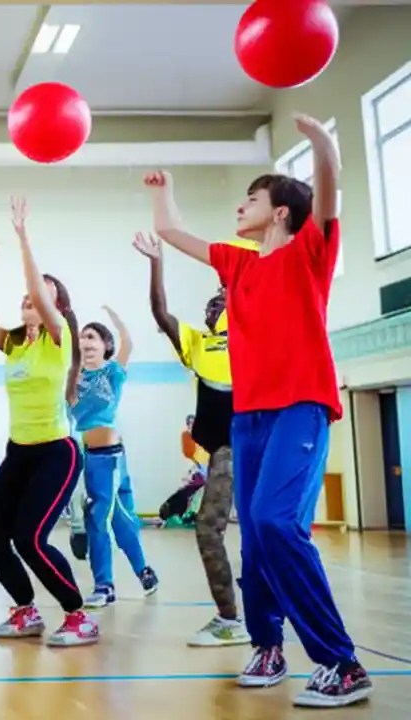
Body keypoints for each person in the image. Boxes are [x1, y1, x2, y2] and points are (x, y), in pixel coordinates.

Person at [146, 113, 370, 707]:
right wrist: (162, 194)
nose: (240, 206)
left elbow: (324, 195)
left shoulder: (309, 254)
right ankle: (267, 645)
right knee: (254, 540)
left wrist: (323, 143)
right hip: (249, 417)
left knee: (275, 523)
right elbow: (171, 230)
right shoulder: (238, 263)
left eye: (252, 198)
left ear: (279, 212)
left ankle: (340, 663)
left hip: (301, 407)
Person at [0, 199, 96, 647]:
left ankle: (78, 614)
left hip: (57, 451)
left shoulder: (61, 338)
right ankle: (25, 608)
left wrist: (22, 238)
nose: (29, 301)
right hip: (19, 452)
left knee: (31, 537)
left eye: (37, 298)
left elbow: (39, 291)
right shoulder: (15, 344)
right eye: (26, 300)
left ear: (54, 305)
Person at [134, 232, 249, 647]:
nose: (214, 302)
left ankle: (256, 615)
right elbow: (160, 312)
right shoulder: (199, 344)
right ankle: (230, 618)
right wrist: (155, 261)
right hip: (225, 448)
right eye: (211, 300)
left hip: (258, 440)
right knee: (208, 527)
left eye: (222, 297)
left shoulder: (253, 334)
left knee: (263, 531)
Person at [71, 309, 158, 608]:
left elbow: (128, 344)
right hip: (85, 457)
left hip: (110, 458)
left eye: (92, 337)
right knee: (122, 521)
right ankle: (145, 571)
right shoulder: (71, 377)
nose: (86, 342)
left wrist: (117, 319)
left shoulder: (113, 373)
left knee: (98, 518)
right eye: (82, 338)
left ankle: (104, 585)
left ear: (105, 345)